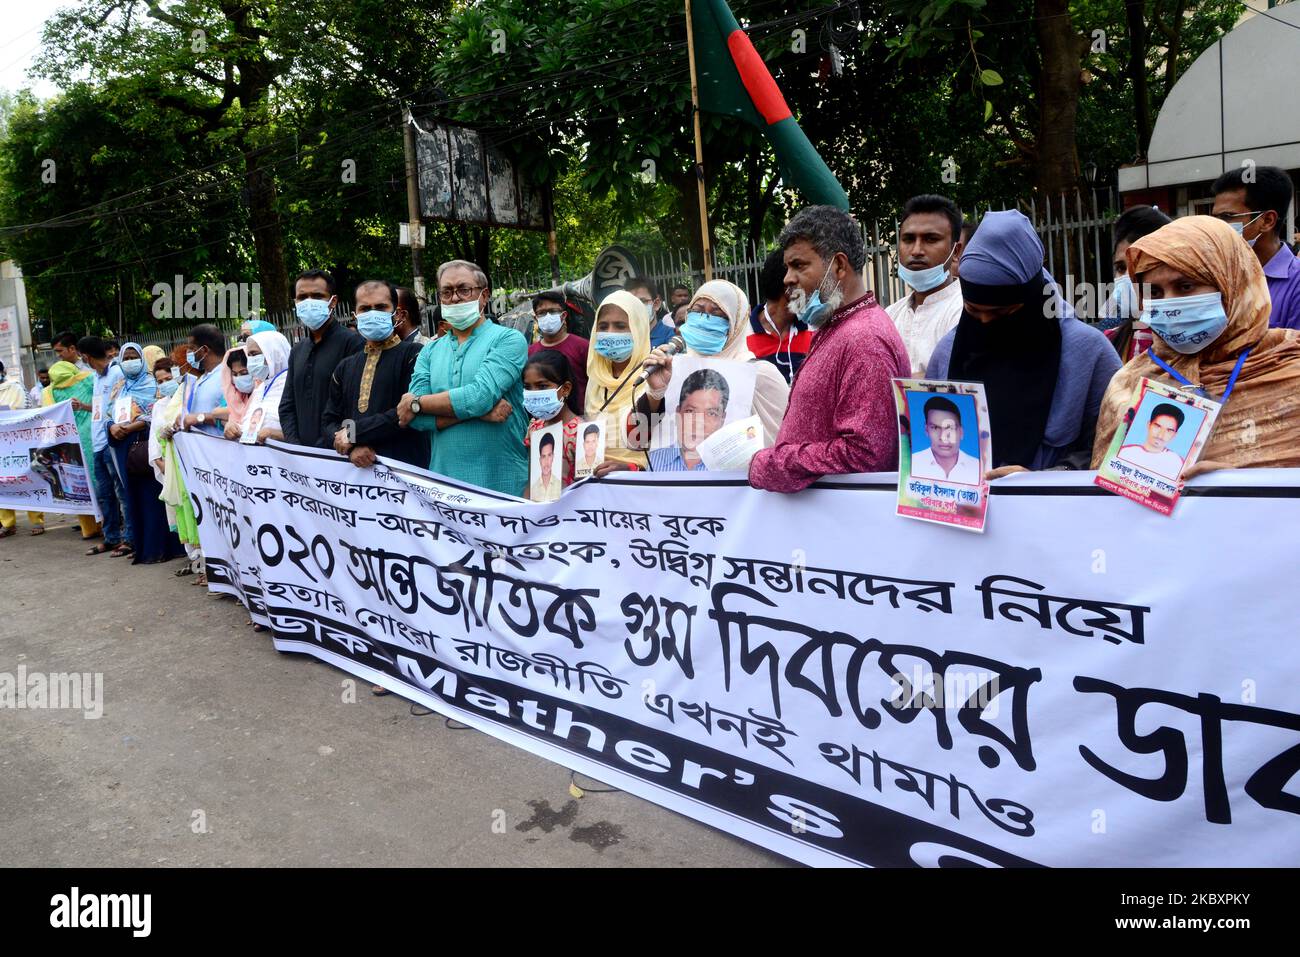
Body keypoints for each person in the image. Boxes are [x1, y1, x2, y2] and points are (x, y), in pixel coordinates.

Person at [1093, 215, 1300, 472]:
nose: (1168, 304)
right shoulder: (1128, 383)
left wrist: (1235, 486)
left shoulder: (1290, 368)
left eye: (1185, 286)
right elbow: (1104, 502)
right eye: (1155, 292)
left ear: (1231, 282)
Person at [927, 209, 1121, 475]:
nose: (984, 323)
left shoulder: (1087, 353)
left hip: (1055, 512)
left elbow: (1115, 449)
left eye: (1001, 314)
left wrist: (1041, 481)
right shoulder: (949, 352)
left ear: (1032, 300)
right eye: (972, 311)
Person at [748, 206, 910, 492]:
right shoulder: (837, 326)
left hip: (842, 527)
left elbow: (866, 455)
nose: (787, 278)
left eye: (798, 265)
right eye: (787, 267)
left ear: (838, 266)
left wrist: (772, 464)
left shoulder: (865, 338)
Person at [398, 260, 529, 495]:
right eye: (446, 292)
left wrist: (416, 403)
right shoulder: (429, 350)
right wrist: (481, 412)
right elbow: (416, 421)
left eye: (464, 289)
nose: (455, 298)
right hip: (444, 484)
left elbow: (479, 396)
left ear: (484, 295)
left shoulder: (509, 340)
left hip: (502, 483)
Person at [635, 279, 789, 453]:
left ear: (736, 322)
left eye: (716, 313)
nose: (704, 318)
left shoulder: (761, 374)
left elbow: (786, 441)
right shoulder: (671, 370)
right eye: (697, 310)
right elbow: (635, 439)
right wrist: (655, 394)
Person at [322, 279, 430, 469]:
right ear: (355, 315)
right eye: (365, 308)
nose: (373, 313)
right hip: (358, 476)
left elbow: (404, 413)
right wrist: (351, 448)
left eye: (381, 307)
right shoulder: (345, 366)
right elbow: (331, 419)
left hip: (405, 469)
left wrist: (353, 433)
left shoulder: (415, 354)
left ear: (396, 314)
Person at [108, 342, 183, 564]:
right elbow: (107, 412)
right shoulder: (120, 387)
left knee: (154, 500)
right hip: (123, 447)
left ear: (142, 359)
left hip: (145, 444)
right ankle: (143, 546)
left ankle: (163, 548)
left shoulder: (153, 384)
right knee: (134, 500)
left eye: (134, 356)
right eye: (126, 357)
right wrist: (113, 426)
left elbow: (157, 413)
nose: (130, 361)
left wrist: (132, 426)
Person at [280, 269, 364, 447]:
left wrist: (351, 440)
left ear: (333, 301)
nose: (309, 302)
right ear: (295, 302)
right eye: (302, 297)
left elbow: (357, 405)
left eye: (317, 296)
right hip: (301, 456)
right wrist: (294, 445)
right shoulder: (297, 350)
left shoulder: (353, 343)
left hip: (339, 453)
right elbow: (287, 405)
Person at [1211, 165, 1300, 329]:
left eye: (1227, 217)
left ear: (1267, 221)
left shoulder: (1296, 284)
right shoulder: (1215, 277)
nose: (1217, 226)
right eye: (1215, 218)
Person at [886, 194, 966, 377]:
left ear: (956, 251)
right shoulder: (890, 315)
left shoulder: (965, 311)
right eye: (908, 239)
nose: (916, 250)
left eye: (931, 239)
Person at [583, 289, 652, 472]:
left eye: (620, 326)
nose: (610, 333)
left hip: (643, 486)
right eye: (603, 326)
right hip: (598, 484)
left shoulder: (654, 378)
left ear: (638, 328)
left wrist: (629, 468)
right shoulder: (596, 379)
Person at [78, 336, 131, 557]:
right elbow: (101, 410)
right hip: (98, 443)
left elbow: (121, 407)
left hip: (112, 442)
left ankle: (129, 539)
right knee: (104, 494)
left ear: (86, 356)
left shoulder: (117, 373)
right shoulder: (96, 378)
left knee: (121, 492)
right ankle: (111, 538)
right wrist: (84, 406)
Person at [41, 360, 101, 541]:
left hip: (67, 443)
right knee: (97, 482)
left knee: (77, 484)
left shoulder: (49, 391)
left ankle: (89, 528)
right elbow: (101, 403)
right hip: (92, 437)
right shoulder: (89, 379)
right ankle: (107, 523)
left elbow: (47, 419)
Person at [1102, 205, 1172, 360]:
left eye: (1139, 264)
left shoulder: (1194, 342)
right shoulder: (1108, 342)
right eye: (1121, 267)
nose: (1129, 276)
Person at [521, 349, 582, 497]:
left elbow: (587, 489)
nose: (534, 393)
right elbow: (533, 479)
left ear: (566, 389)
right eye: (528, 387)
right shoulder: (535, 427)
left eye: (542, 386)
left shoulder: (581, 432)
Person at [748, 248, 813, 383]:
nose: (812, 291)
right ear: (789, 287)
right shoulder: (744, 336)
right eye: (807, 283)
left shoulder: (814, 330)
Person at [646, 369, 730, 471]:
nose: (699, 423)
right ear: (678, 413)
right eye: (690, 411)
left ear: (722, 420)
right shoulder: (651, 461)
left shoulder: (734, 468)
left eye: (711, 413)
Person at [0, 360, 44, 539]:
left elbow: (24, 411)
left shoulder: (14, 388)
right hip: (1, 447)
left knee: (28, 479)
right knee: (2, 482)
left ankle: (37, 521)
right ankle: (7, 523)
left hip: (18, 442)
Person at [529, 291, 589, 409]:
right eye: (542, 313)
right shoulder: (531, 352)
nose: (548, 316)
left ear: (564, 315)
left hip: (580, 417)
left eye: (552, 311)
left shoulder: (582, 346)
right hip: (545, 418)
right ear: (536, 318)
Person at [233, 330, 292, 444]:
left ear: (274, 354)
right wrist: (236, 428)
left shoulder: (294, 385)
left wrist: (277, 435)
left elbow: (308, 433)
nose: (250, 360)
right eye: (249, 355)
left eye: (254, 354)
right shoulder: (261, 387)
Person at [910, 395, 980, 484]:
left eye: (950, 428)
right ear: (926, 430)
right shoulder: (912, 464)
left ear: (961, 432)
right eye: (935, 427)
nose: (943, 437)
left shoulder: (978, 467)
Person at [1117, 402, 1186, 478]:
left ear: (1174, 435)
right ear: (1149, 425)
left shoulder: (1178, 463)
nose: (1160, 435)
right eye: (1157, 426)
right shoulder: (1124, 452)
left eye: (1169, 430)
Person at [628, 277, 674, 348]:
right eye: (631, 303)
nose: (636, 307)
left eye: (642, 301)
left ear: (656, 304)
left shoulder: (671, 336)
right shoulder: (624, 337)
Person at [220, 347, 255, 432]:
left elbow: (217, 414)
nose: (238, 378)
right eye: (234, 374)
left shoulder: (264, 394)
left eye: (244, 373)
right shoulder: (235, 395)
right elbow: (215, 413)